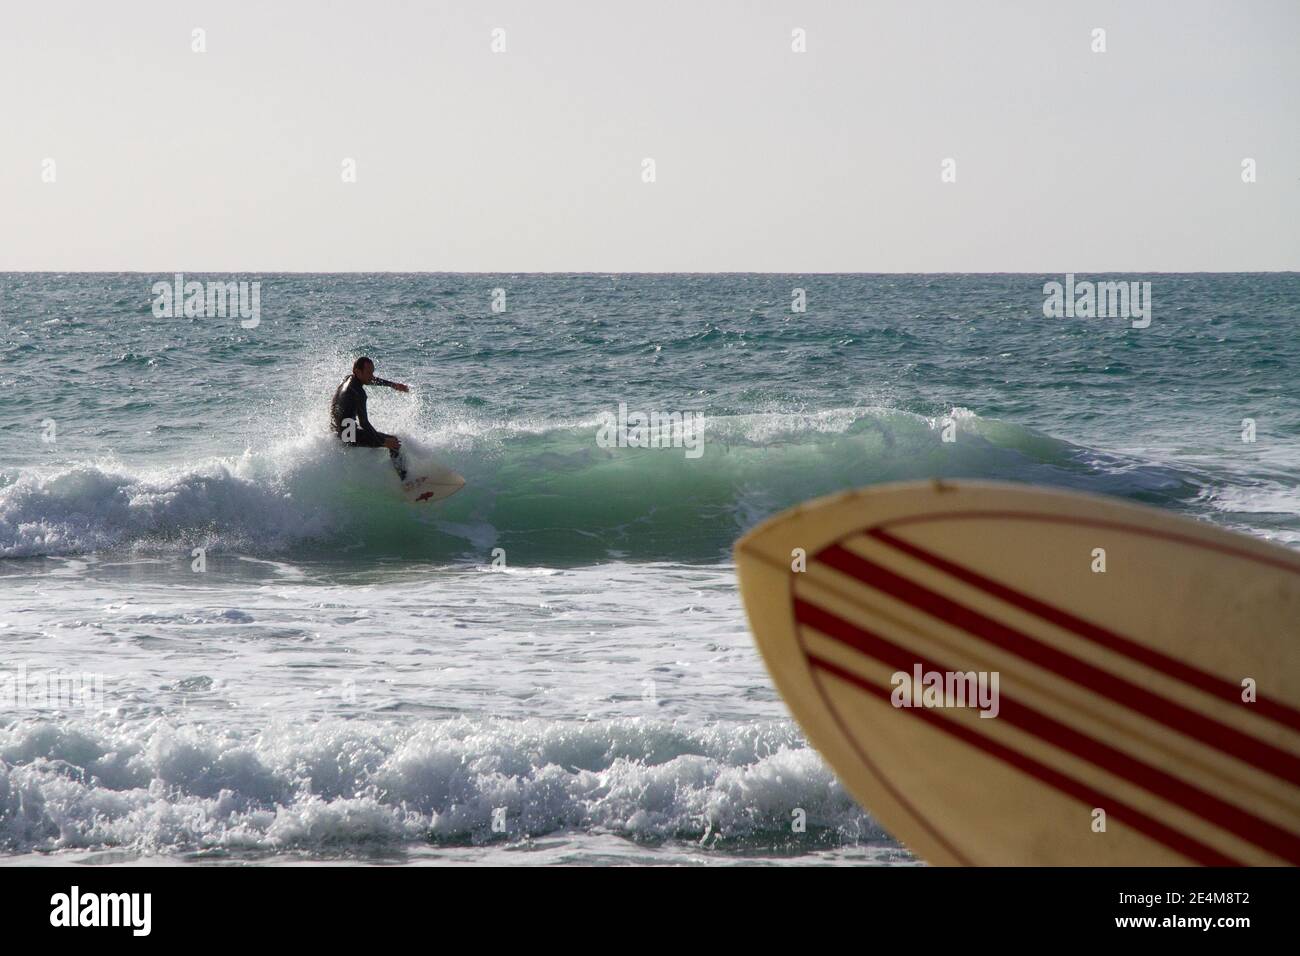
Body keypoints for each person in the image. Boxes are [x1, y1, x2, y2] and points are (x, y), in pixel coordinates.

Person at [330, 356, 411, 480]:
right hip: (348, 436)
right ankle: (406, 481)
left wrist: (392, 385)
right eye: (368, 372)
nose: (372, 376)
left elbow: (369, 380)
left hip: (335, 430)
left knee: (382, 438)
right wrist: (383, 441)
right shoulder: (359, 394)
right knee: (394, 442)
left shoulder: (348, 380)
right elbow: (364, 423)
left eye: (372, 372)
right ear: (358, 371)